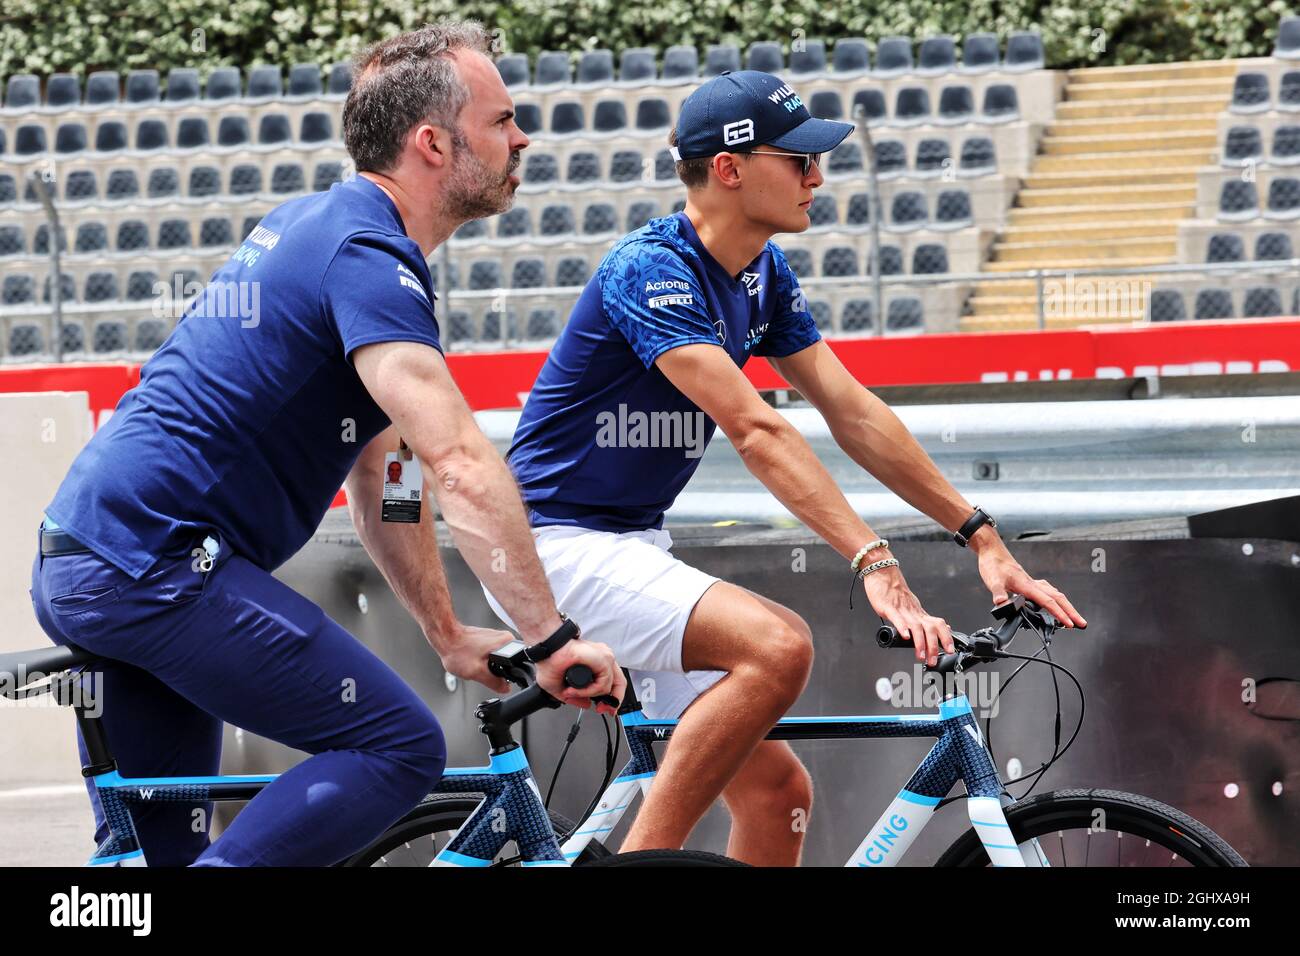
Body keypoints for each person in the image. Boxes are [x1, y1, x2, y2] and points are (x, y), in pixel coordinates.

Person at [29, 20, 623, 867]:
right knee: (398, 748)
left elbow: (392, 470)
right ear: (431, 142)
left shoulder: (329, 228)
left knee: (159, 855)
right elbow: (456, 458)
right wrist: (552, 637)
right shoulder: (365, 253)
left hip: (106, 559)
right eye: (500, 120)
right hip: (155, 567)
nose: (521, 137)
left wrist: (450, 631)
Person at [483, 70, 1087, 866]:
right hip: (549, 546)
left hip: (625, 546)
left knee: (777, 797)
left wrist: (979, 535)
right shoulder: (649, 269)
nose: (818, 176)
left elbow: (854, 411)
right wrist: (873, 558)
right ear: (728, 170)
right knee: (778, 647)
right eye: (797, 159)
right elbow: (756, 429)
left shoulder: (762, 273)